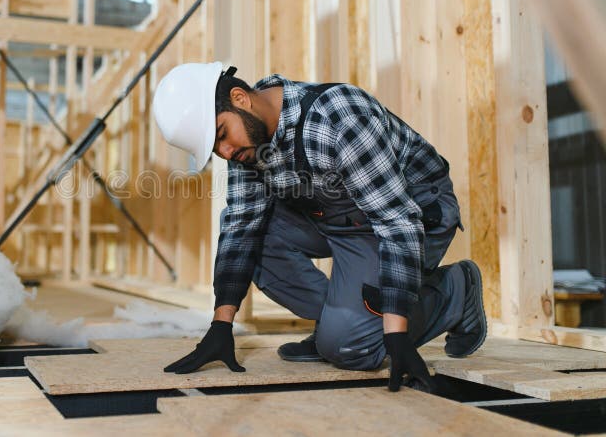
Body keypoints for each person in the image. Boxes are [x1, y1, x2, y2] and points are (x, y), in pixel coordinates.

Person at [151, 62, 487, 391]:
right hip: (338, 215)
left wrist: (397, 336)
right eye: (215, 149)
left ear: (240, 98)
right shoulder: (248, 144)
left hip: (408, 210)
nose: (226, 151)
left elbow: (396, 220)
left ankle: (455, 291)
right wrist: (220, 325)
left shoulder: (337, 118)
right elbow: (241, 228)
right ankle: (339, 325)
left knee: (352, 348)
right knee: (254, 236)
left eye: (222, 134)